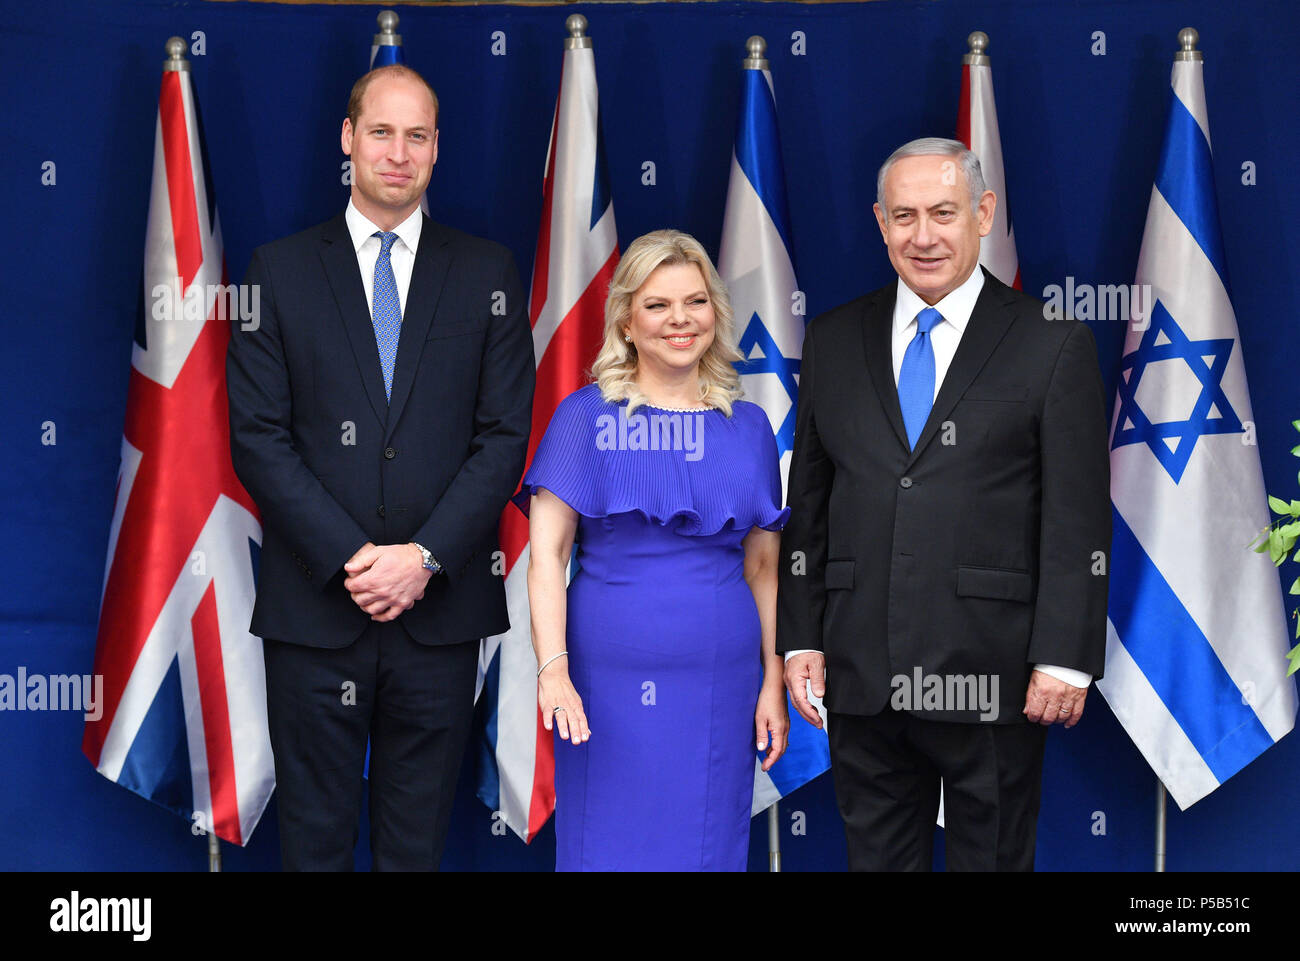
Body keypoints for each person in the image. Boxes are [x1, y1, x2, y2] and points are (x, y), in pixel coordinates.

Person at [225, 64, 534, 870]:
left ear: (436, 149)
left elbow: (504, 439)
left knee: (414, 849)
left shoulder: (487, 273)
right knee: (315, 844)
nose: (399, 153)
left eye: (418, 136)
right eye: (382, 132)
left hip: (440, 614)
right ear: (349, 140)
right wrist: (358, 561)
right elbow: (258, 437)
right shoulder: (279, 270)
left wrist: (423, 559)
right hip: (316, 611)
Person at [778, 137, 1110, 871]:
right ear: (879, 221)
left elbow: (1077, 514)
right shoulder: (832, 339)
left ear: (983, 213)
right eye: (903, 216)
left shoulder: (1052, 342)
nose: (922, 235)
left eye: (942, 213)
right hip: (861, 671)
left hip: (993, 671)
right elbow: (811, 500)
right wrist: (800, 636)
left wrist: (1067, 654)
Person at [515, 229, 789, 871]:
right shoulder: (584, 417)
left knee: (705, 847)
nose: (680, 320)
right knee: (607, 845)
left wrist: (773, 677)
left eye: (695, 302)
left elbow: (764, 567)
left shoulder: (748, 428)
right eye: (658, 305)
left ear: (716, 314)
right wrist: (553, 670)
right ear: (627, 322)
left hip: (720, 680)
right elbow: (546, 556)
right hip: (603, 682)